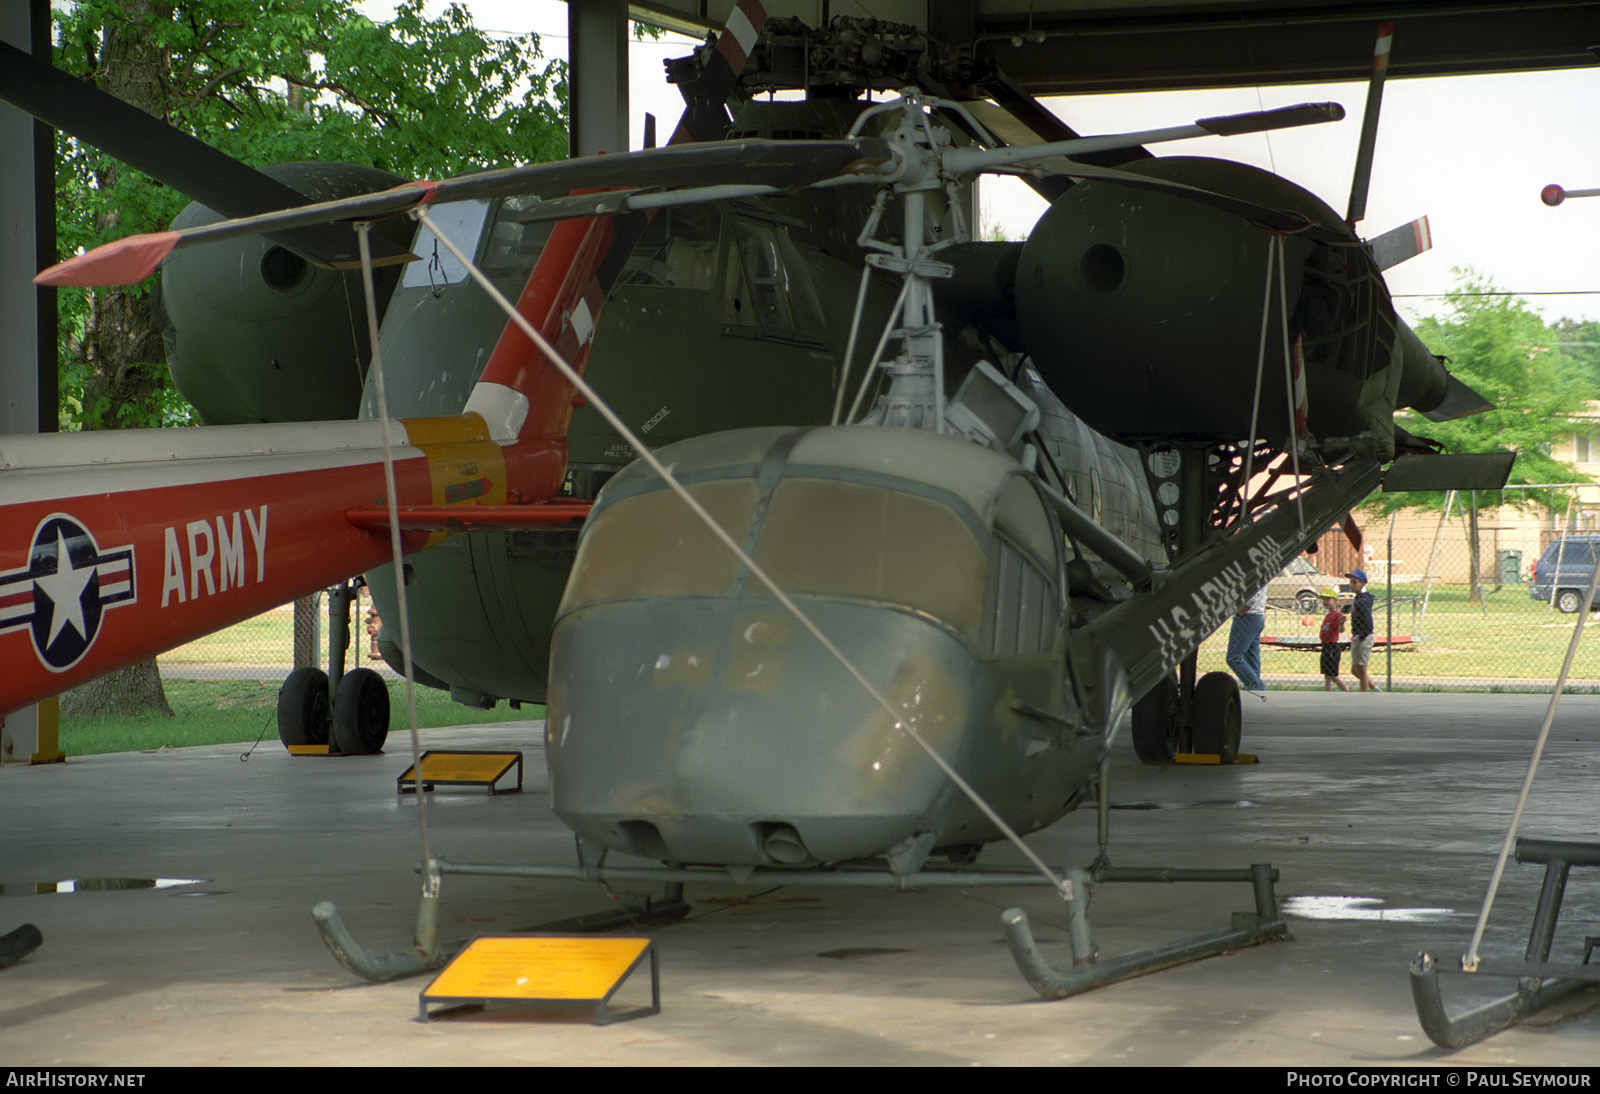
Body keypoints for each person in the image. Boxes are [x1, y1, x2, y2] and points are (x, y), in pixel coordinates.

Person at [1226, 584, 1268, 693]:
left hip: (1247, 616)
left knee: (1234, 658)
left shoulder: (1255, 575)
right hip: (1255, 617)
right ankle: (1254, 689)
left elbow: (1253, 595)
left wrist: (1240, 611)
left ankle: (1257, 686)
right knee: (1251, 657)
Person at [1346, 567, 1379, 692]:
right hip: (1357, 635)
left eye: (1355, 582)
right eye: (1351, 582)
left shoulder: (1362, 601)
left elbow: (1368, 622)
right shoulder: (1358, 599)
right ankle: (1374, 688)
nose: (1352, 585)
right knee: (1355, 670)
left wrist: (1362, 635)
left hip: (1363, 636)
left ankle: (1363, 693)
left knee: (1361, 668)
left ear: (1363, 584)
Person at [1318, 587, 1348, 692]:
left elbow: (1341, 630)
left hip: (1332, 647)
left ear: (1335, 601)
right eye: (1324, 599)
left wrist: (1342, 624)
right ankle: (1328, 693)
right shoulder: (1328, 615)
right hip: (1325, 646)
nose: (1325, 601)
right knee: (1327, 676)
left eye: (1328, 599)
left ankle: (1346, 691)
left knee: (1333, 675)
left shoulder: (1337, 614)